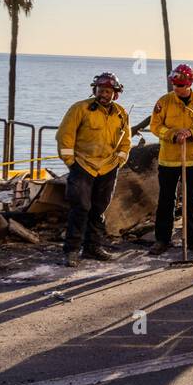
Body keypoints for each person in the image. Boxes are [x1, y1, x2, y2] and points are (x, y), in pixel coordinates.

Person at [56, 72, 131, 267]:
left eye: (107, 91)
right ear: (94, 90)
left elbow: (126, 142)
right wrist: (70, 162)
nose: (103, 94)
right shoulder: (80, 109)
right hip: (82, 165)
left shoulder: (121, 113)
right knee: (80, 207)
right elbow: (65, 136)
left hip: (108, 167)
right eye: (100, 90)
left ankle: (93, 247)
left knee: (99, 209)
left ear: (115, 94)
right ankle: (72, 250)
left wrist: (119, 161)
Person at [149, 64, 193, 256]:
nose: (177, 88)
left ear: (190, 83)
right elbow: (155, 126)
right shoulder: (164, 102)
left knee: (192, 201)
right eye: (175, 85)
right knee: (166, 200)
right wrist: (171, 134)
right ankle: (162, 239)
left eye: (181, 85)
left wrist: (192, 133)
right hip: (168, 160)